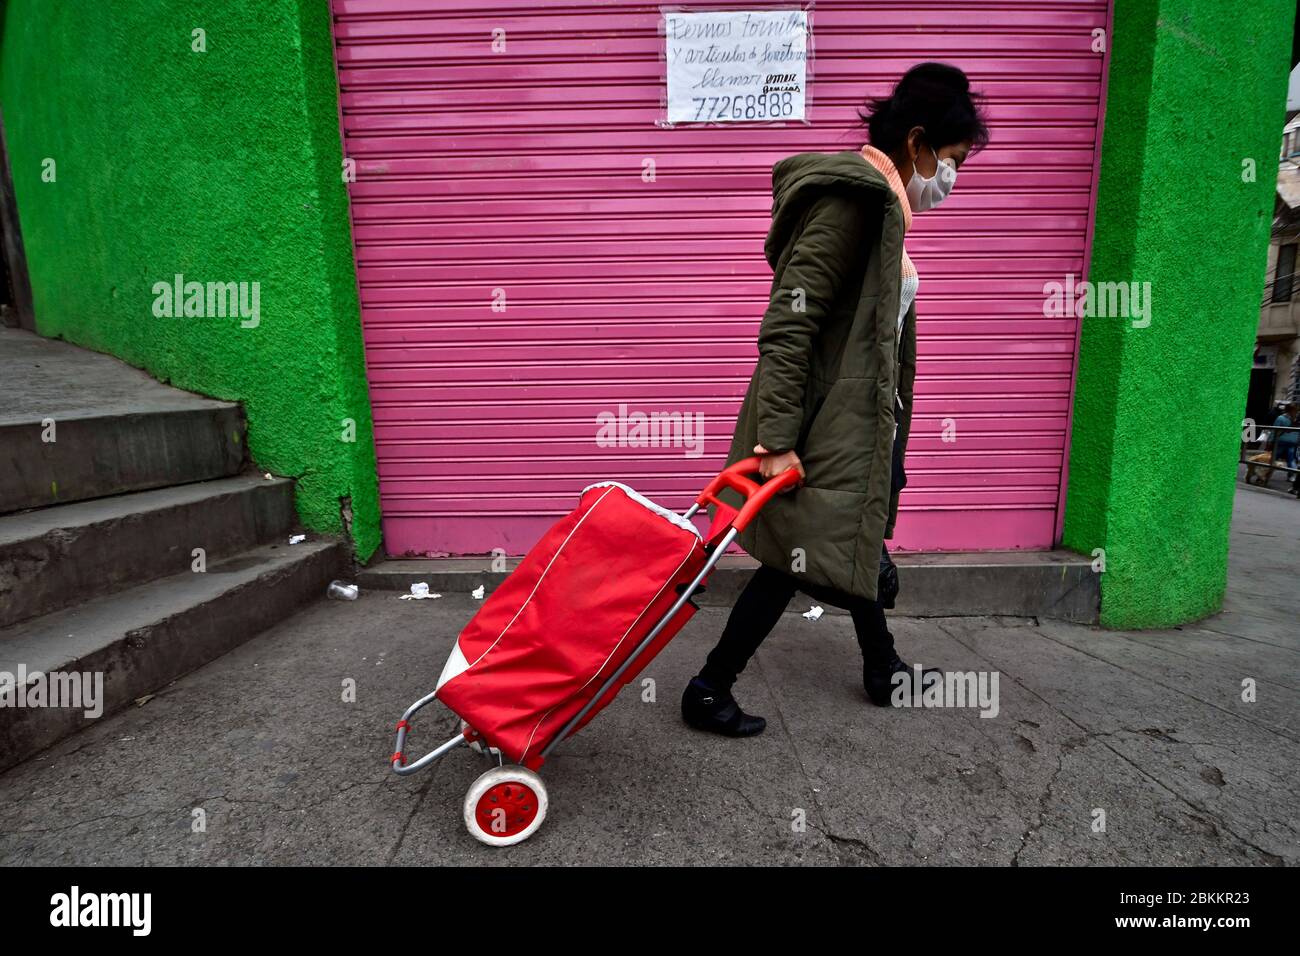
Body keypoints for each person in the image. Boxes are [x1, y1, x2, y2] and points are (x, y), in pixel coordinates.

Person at [682, 63, 989, 737]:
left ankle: (884, 671)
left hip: (859, 429)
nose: (953, 179)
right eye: (953, 161)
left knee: (841, 544)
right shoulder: (852, 202)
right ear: (918, 143)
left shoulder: (883, 210)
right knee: (798, 559)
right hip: (819, 432)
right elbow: (789, 327)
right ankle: (709, 688)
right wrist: (778, 443)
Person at [1272, 403, 1299, 482]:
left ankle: (1265, 472)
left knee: (1273, 458)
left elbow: (1275, 430)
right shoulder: (1297, 419)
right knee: (1291, 459)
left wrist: (1271, 441)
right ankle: (1291, 476)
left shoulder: (1281, 418)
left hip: (1281, 441)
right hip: (1293, 442)